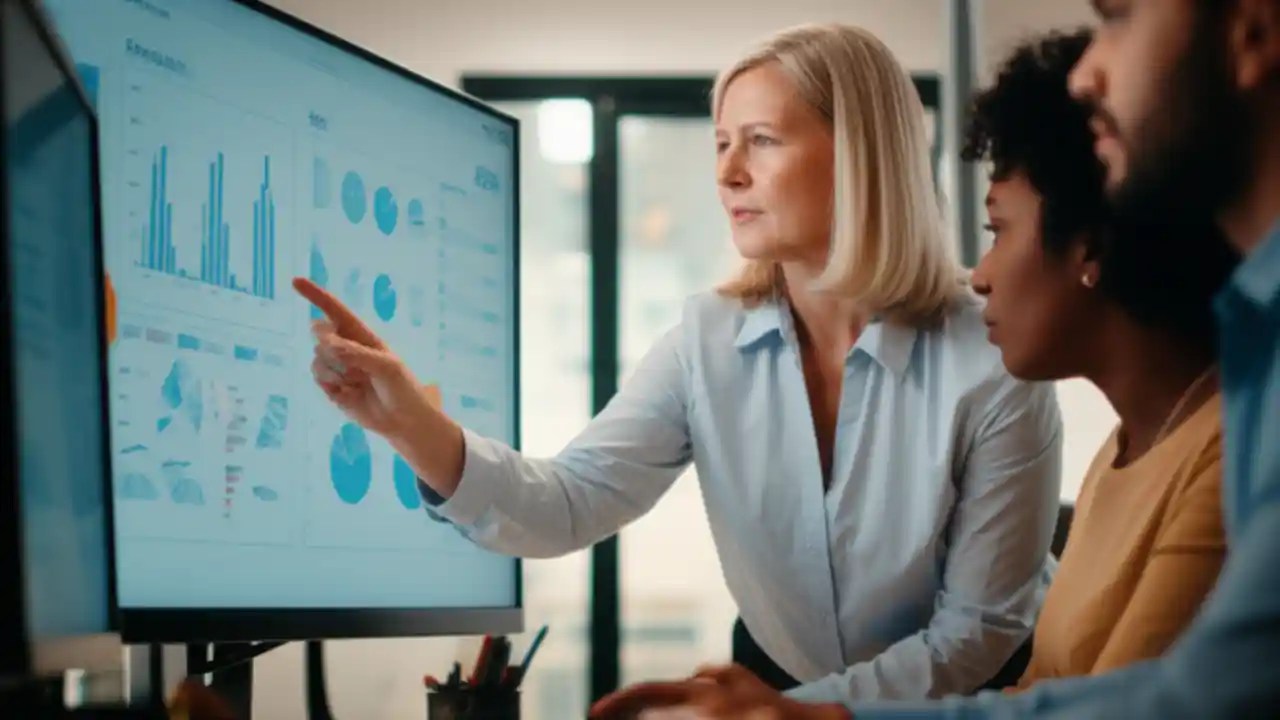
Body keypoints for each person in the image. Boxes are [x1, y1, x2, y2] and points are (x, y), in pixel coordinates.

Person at [295, 22, 1063, 705]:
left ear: (859, 156)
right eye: (721, 143)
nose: (728, 173)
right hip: (782, 698)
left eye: (761, 140)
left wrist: (787, 714)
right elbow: (568, 503)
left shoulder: (992, 354)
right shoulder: (708, 343)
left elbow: (977, 635)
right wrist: (410, 427)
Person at [590, 0, 1280, 716]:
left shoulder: (1226, 434)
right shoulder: (1127, 452)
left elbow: (1184, 702)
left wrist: (812, 714)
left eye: (998, 230)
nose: (978, 274)